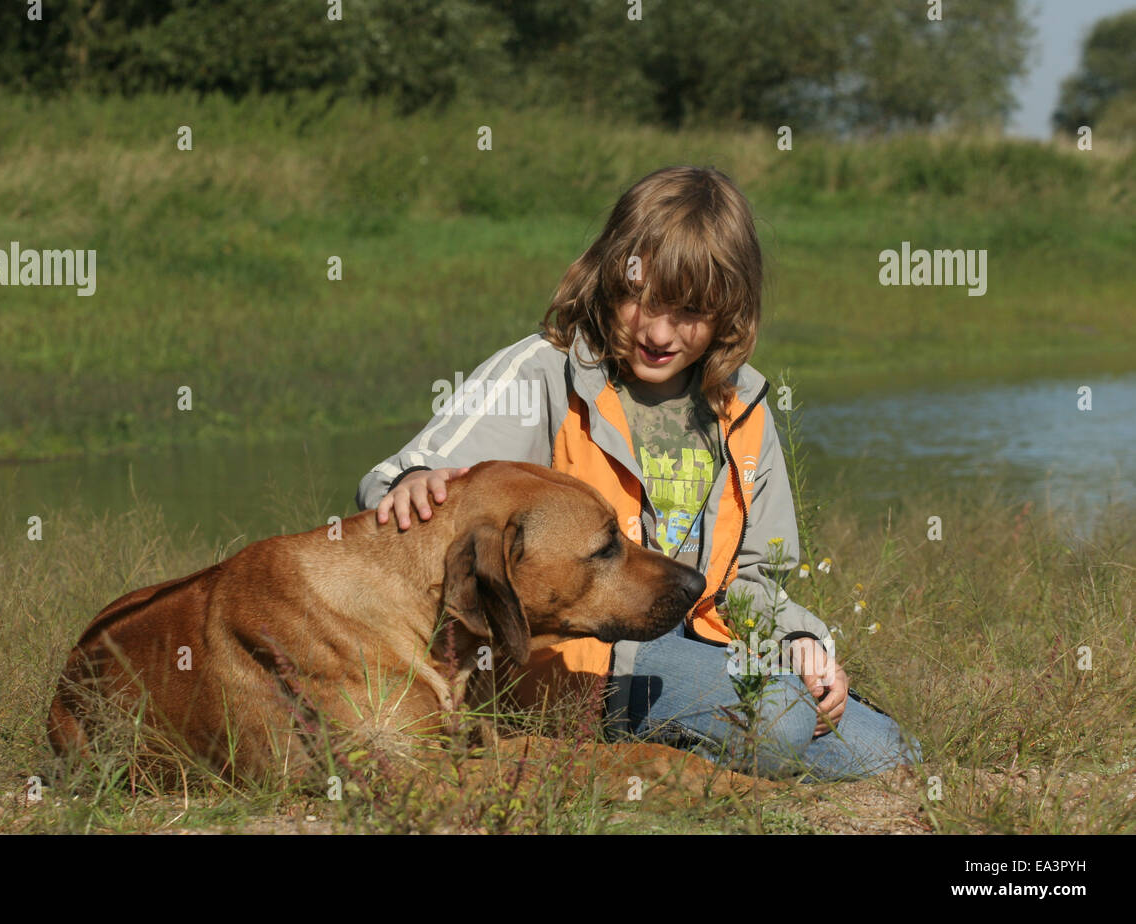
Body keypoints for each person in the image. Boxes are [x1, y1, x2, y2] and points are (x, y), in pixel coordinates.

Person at [355, 165, 920, 780]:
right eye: (639, 298)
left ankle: (676, 750)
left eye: (690, 312)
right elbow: (415, 481)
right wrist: (411, 482)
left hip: (702, 647)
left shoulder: (745, 406)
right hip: (566, 660)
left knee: (888, 754)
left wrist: (796, 644)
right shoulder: (545, 371)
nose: (657, 331)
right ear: (604, 276)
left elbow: (756, 579)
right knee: (776, 721)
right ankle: (617, 761)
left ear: (731, 310)